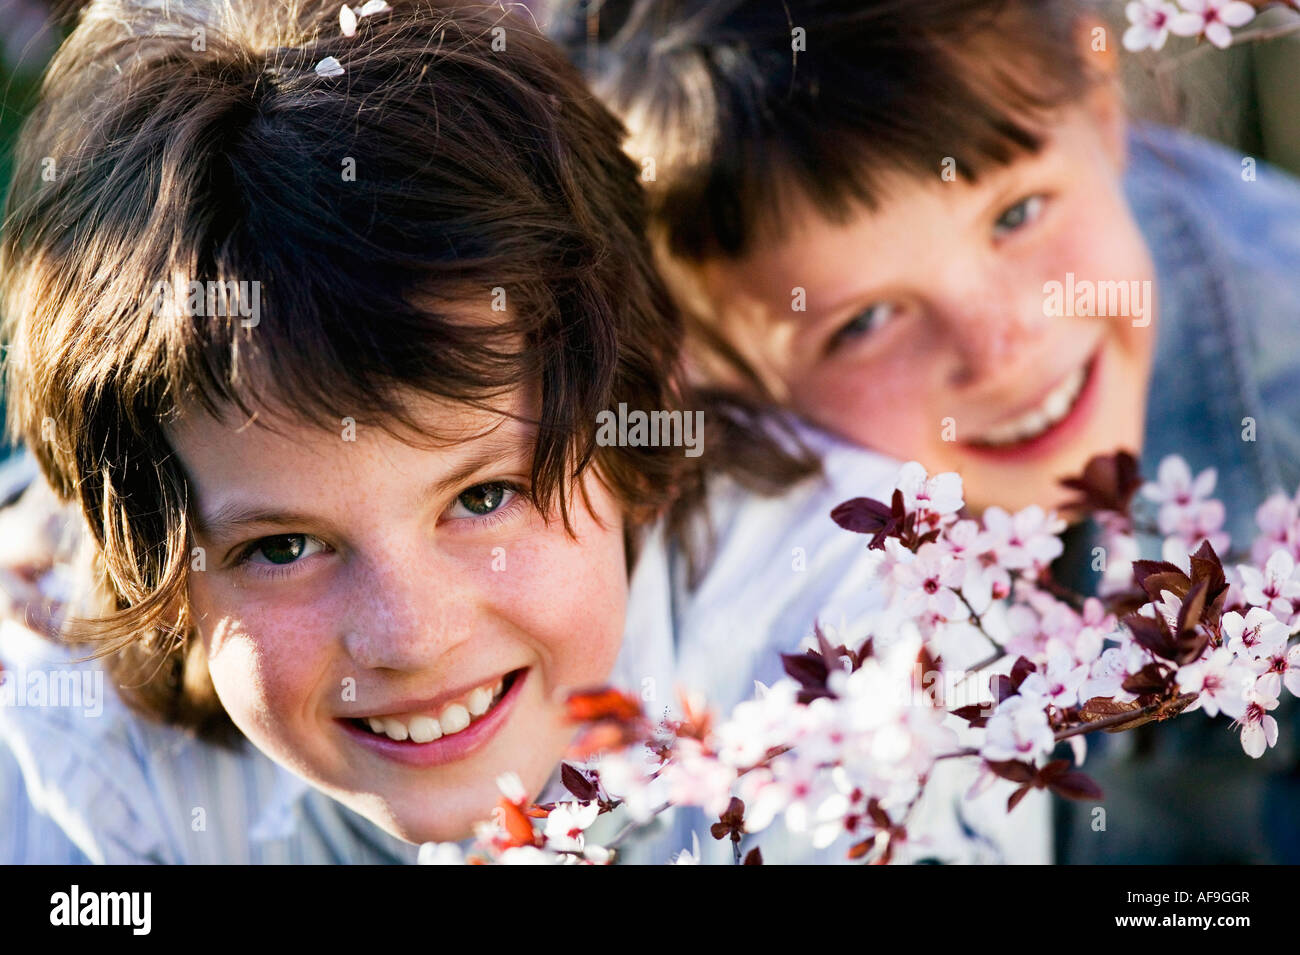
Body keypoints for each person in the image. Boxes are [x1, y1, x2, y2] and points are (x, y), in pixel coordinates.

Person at [0, 0, 1033, 864]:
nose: (411, 638)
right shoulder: (71, 749)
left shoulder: (869, 649)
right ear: (151, 569)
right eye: (279, 547)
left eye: (483, 496)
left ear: (637, 427)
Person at [549, 0, 1300, 862]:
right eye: (864, 320)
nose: (1000, 345)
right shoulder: (715, 566)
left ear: (1101, 104)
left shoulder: (1279, 376)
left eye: (1016, 215)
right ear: (705, 361)